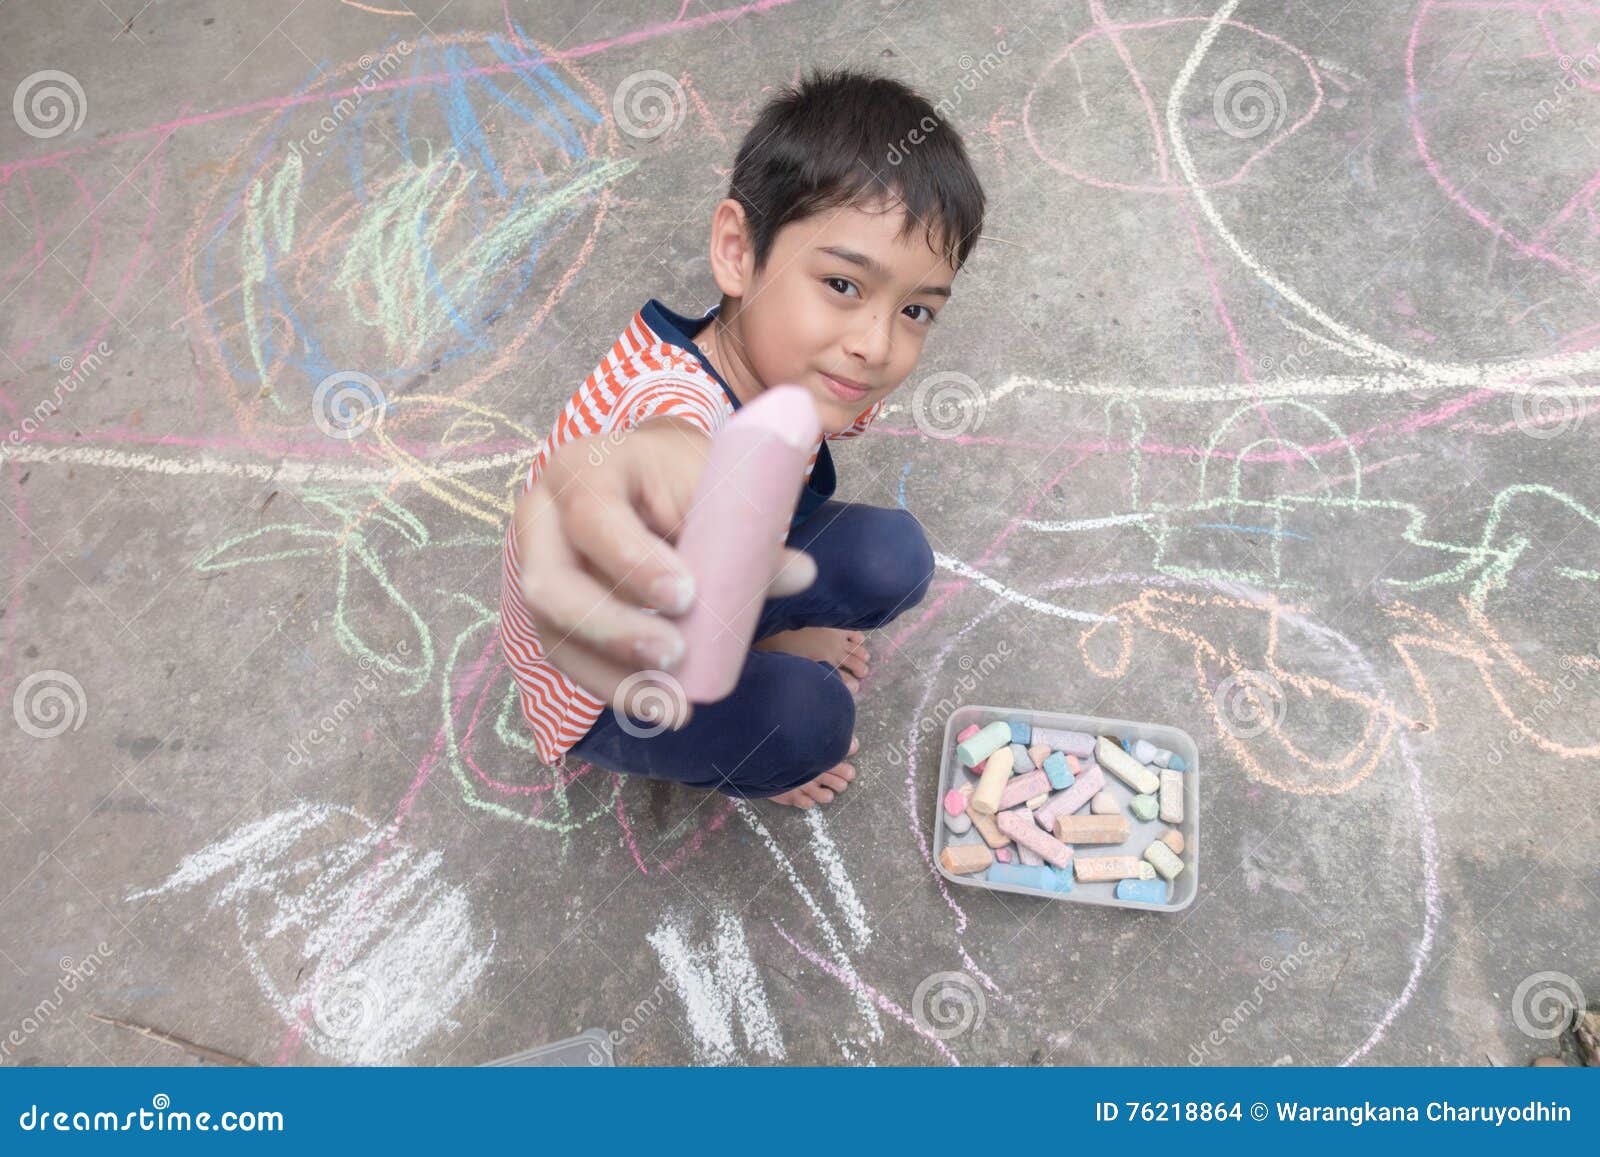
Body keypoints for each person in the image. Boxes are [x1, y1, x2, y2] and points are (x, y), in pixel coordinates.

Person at [500, 67, 986, 808]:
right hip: (602, 678)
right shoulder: (668, 400)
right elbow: (657, 442)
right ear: (736, 249)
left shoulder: (799, 369)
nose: (877, 342)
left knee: (896, 557)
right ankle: (748, 753)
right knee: (806, 721)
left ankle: (751, 636)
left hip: (705, 583)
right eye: (844, 285)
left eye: (917, 310)